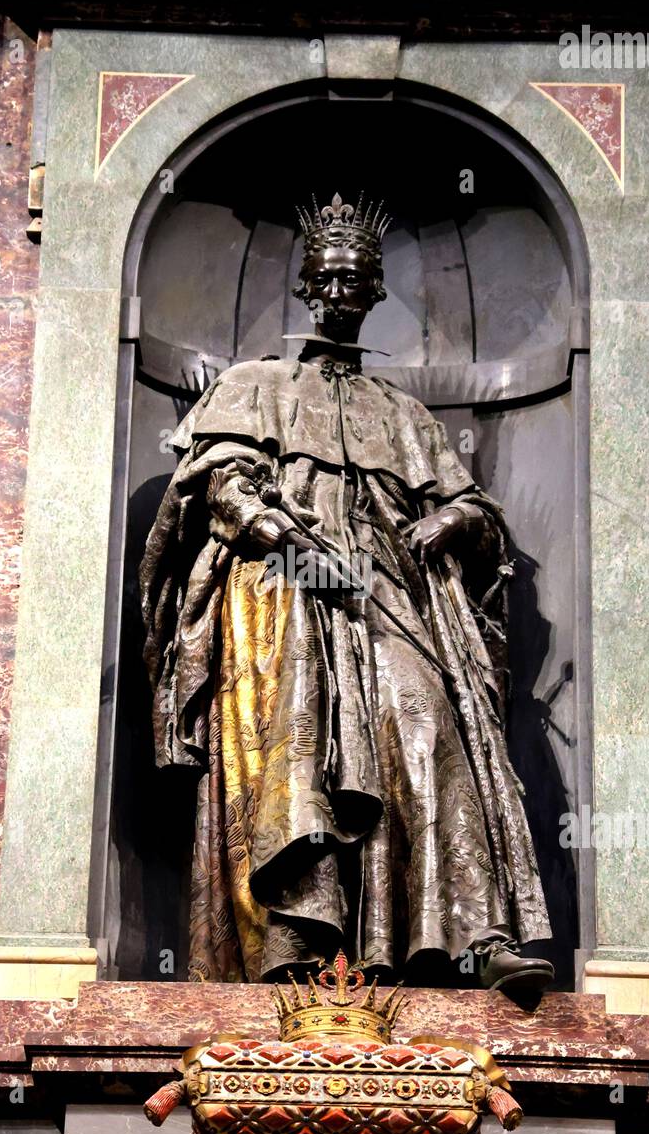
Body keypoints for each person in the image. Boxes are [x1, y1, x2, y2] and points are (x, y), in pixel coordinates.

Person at [140, 192, 554, 998]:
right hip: (287, 590)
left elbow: (479, 513)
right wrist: (280, 534)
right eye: (326, 278)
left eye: (354, 281)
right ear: (306, 284)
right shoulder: (253, 385)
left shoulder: (401, 413)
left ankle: (476, 938)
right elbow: (217, 484)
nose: (338, 293)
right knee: (302, 748)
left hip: (391, 598)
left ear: (372, 295)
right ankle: (300, 943)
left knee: (428, 721)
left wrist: (456, 522)